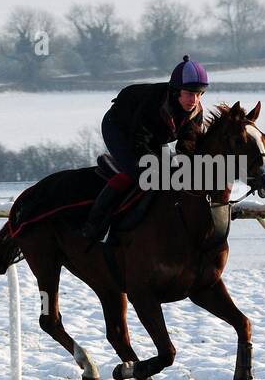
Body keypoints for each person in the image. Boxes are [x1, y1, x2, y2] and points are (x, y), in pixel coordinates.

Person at [80, 55, 208, 241]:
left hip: (153, 136)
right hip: (119, 128)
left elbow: (186, 148)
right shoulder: (153, 103)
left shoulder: (196, 113)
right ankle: (93, 223)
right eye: (189, 93)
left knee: (171, 171)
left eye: (199, 94)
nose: (194, 100)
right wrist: (157, 167)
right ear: (176, 91)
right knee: (139, 172)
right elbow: (139, 142)